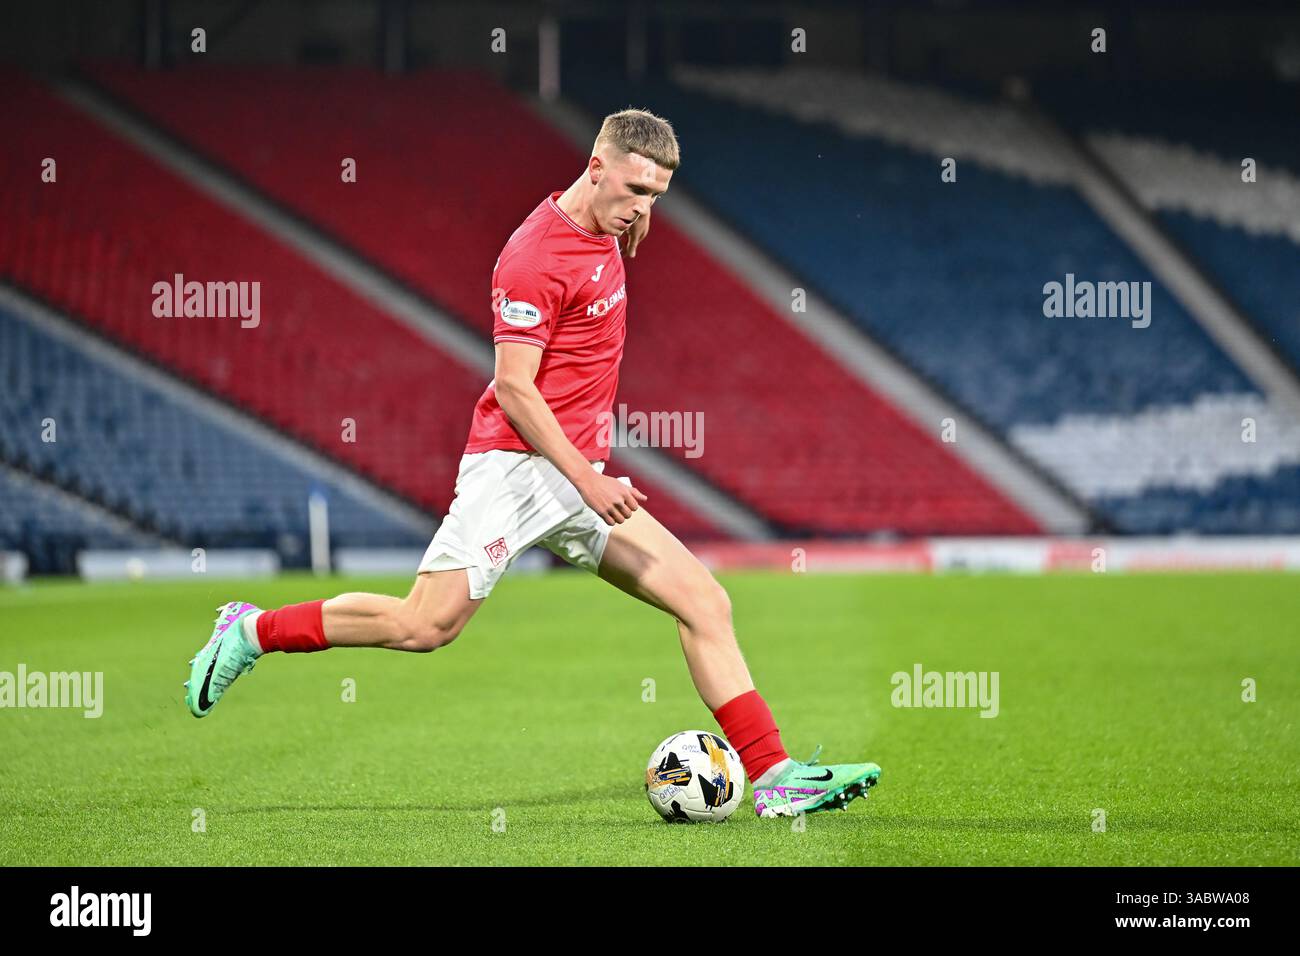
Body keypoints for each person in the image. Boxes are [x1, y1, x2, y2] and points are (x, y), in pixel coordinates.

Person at [185, 108, 880, 818]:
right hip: (517, 467)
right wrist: (588, 479)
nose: (642, 209)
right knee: (426, 627)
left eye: (655, 198)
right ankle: (250, 631)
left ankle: (774, 777)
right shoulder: (533, 258)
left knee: (704, 601)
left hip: (575, 475)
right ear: (596, 166)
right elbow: (515, 389)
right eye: (634, 190)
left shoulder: (608, 221)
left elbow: (612, 237)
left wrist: (631, 219)